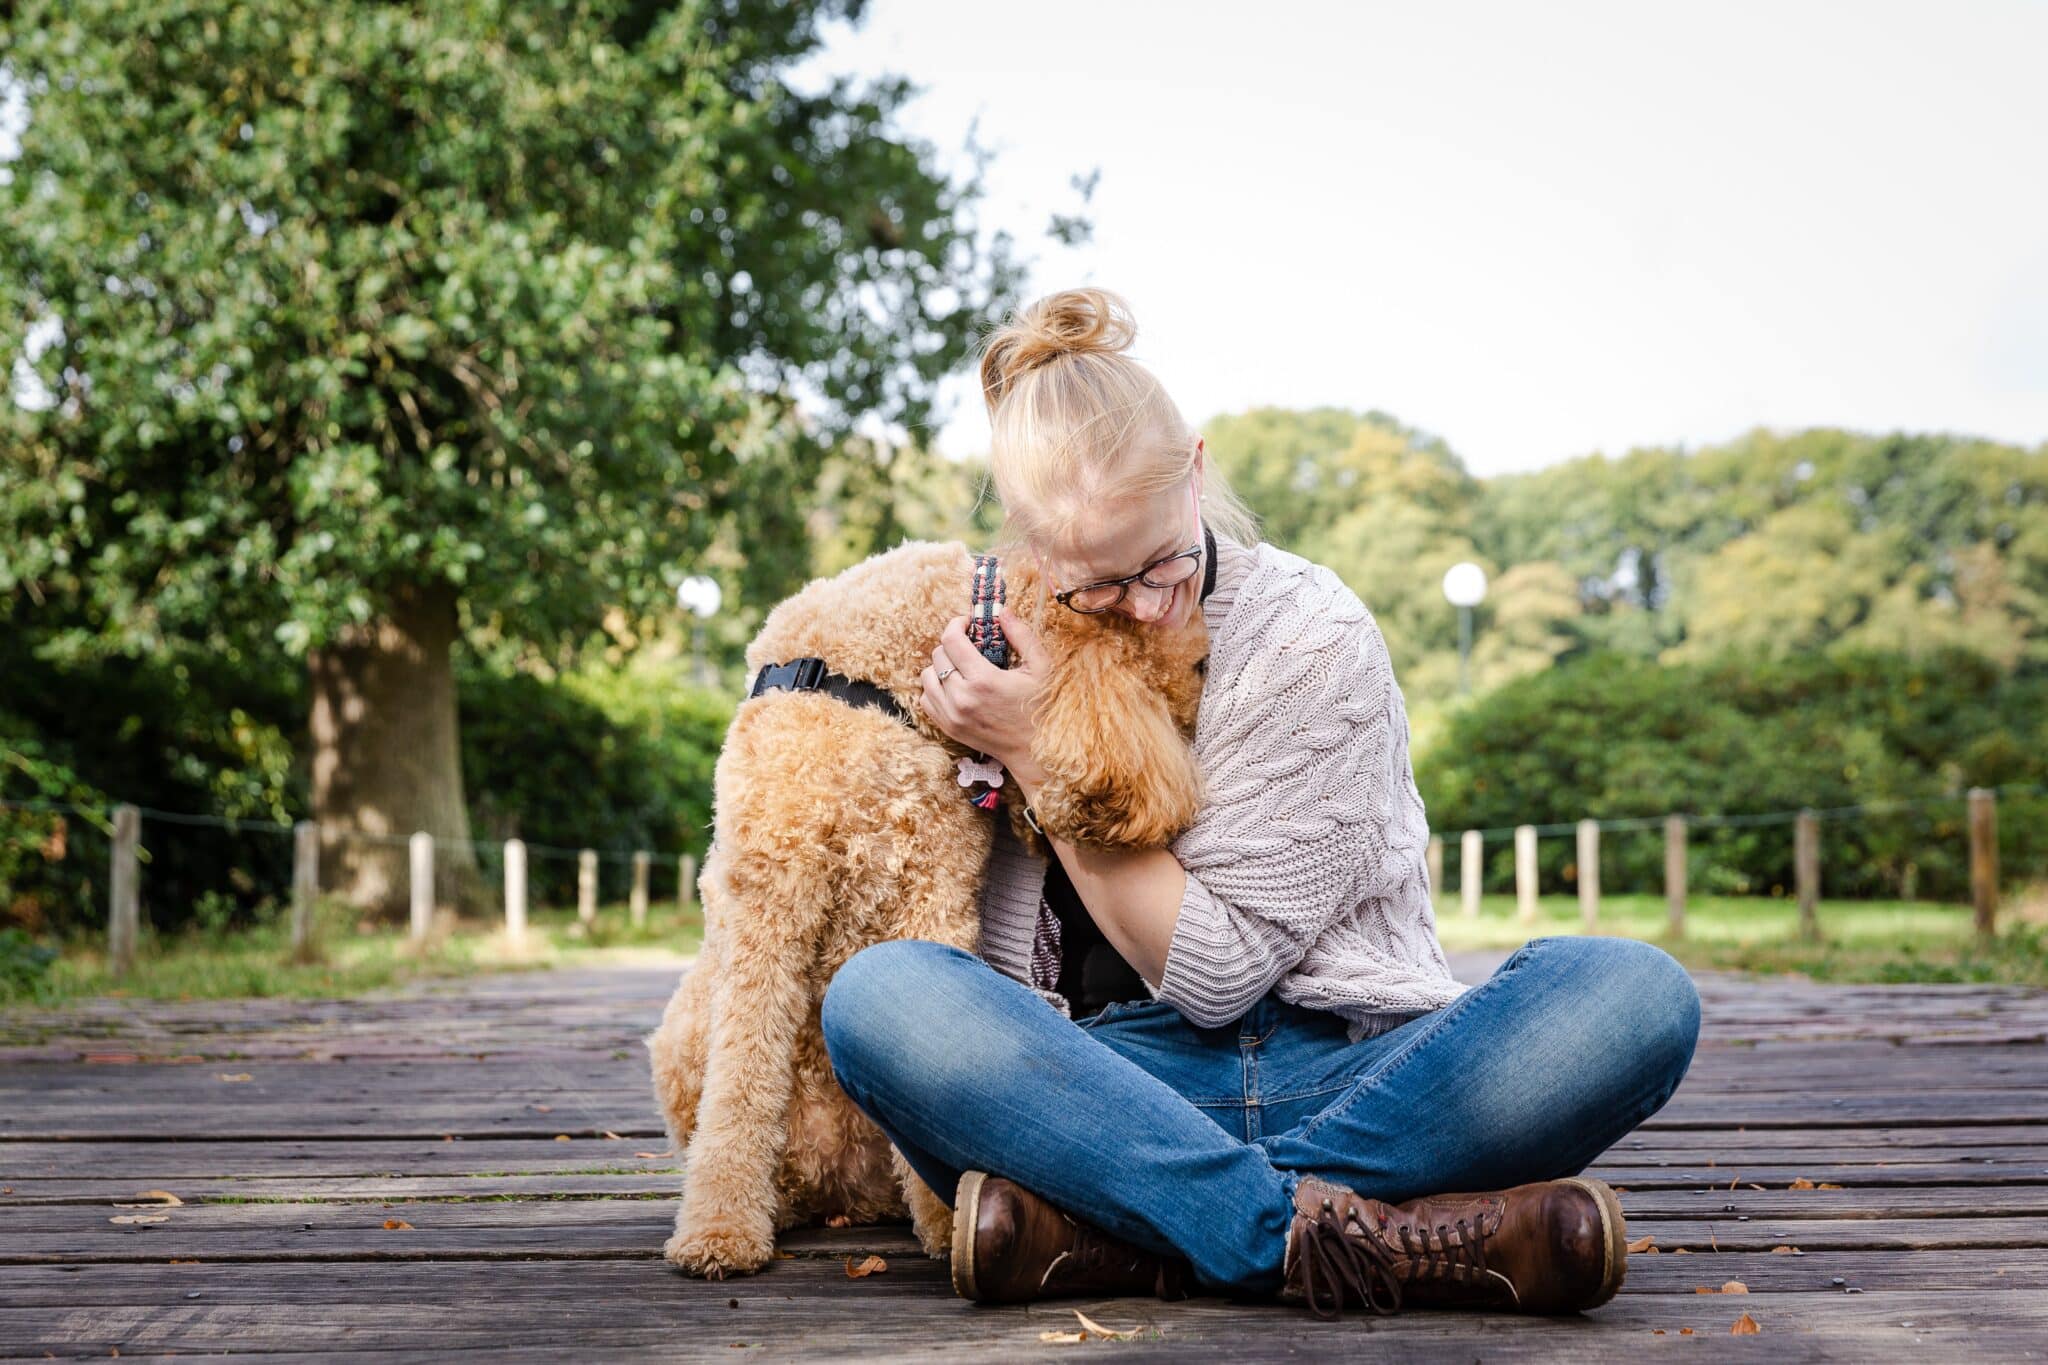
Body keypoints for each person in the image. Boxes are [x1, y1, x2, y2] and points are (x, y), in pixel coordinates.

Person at [818, 288, 1701, 1319]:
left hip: (1361, 1075)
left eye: (1160, 564)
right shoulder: (987, 634)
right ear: (1027, 548)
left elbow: (1214, 975)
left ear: (1192, 473)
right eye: (1095, 587)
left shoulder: (1308, 635)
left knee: (1631, 993)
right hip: (1106, 1086)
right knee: (879, 999)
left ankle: (1131, 1235)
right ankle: (1373, 1239)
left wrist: (1033, 753)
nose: (1144, 605)